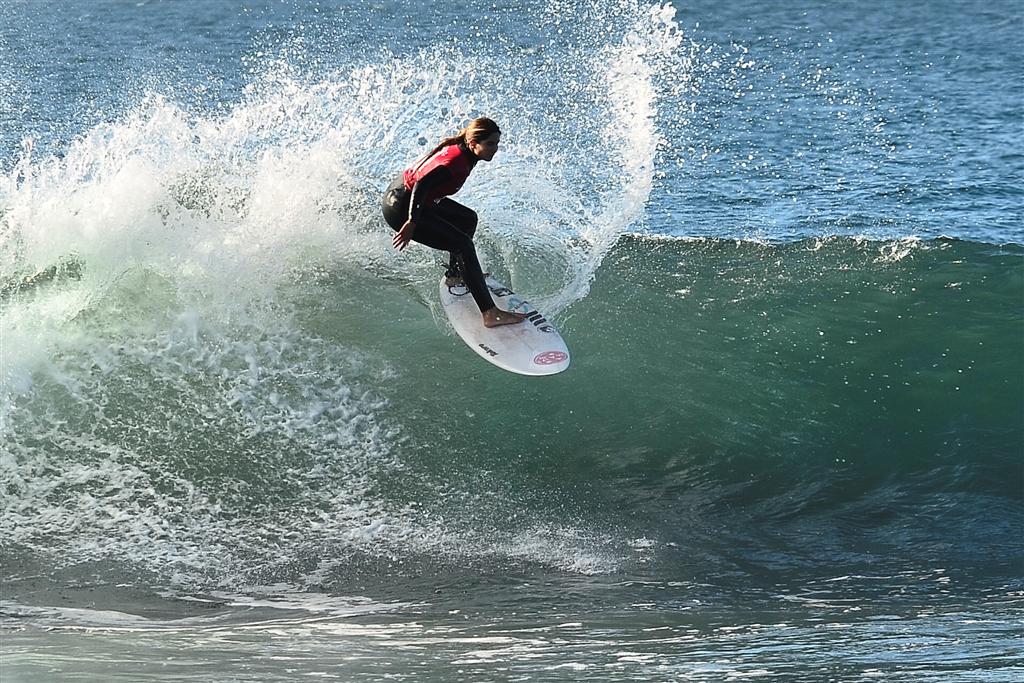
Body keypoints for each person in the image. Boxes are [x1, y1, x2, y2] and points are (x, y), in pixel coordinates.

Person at [381, 117, 527, 328]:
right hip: (401, 206)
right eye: (490, 144)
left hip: (407, 197)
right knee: (463, 245)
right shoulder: (457, 162)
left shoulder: (462, 150)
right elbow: (422, 184)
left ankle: (456, 275)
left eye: (497, 143)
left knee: (467, 219)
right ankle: (490, 314)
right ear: (473, 143)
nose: (495, 149)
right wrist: (412, 221)